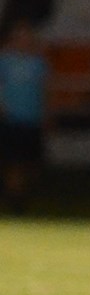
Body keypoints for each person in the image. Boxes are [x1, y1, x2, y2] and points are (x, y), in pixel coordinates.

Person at [0, 19, 49, 212]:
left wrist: (47, 114)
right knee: (13, 162)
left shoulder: (38, 62)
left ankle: (21, 195)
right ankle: (14, 202)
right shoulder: (4, 61)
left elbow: (45, 89)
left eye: (27, 36)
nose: (24, 40)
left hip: (33, 118)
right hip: (11, 119)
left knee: (31, 163)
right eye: (19, 36)